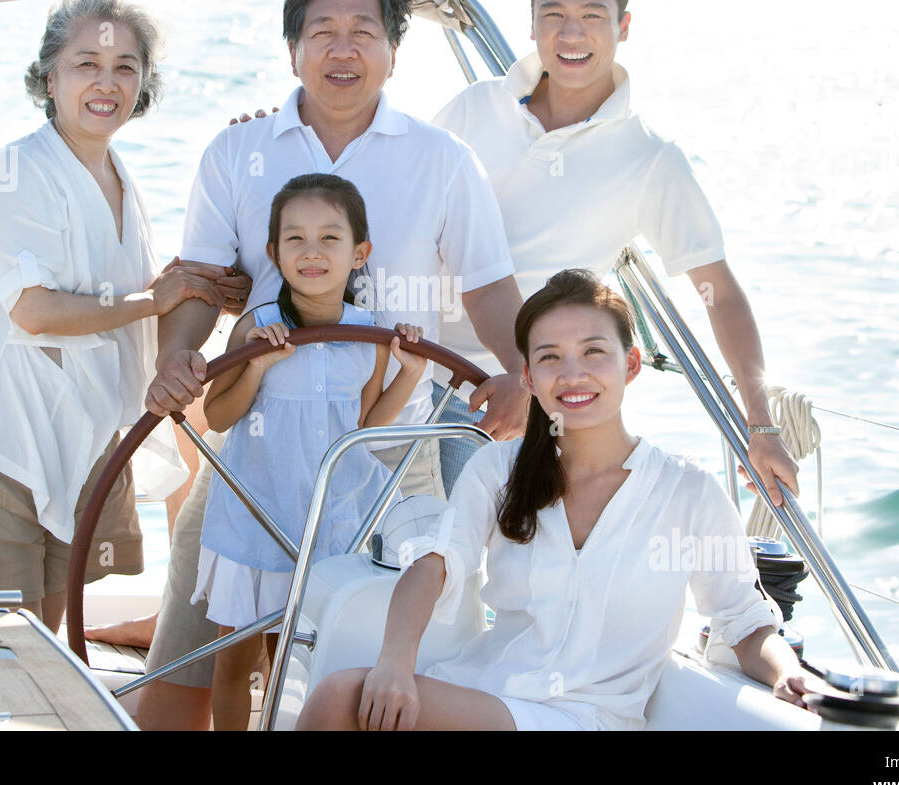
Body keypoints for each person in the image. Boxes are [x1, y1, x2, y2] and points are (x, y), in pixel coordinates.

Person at [137, 0, 526, 730]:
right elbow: (203, 283)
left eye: (363, 32)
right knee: (189, 660)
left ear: (391, 53)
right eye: (323, 32)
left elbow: (486, 286)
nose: (343, 50)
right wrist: (177, 356)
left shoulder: (442, 160)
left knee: (375, 661)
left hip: (388, 450)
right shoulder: (236, 152)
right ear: (292, 51)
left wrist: (518, 368)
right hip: (256, 442)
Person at [298, 269, 816, 731]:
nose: (572, 375)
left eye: (594, 352)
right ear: (527, 377)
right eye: (550, 358)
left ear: (631, 365)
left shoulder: (688, 492)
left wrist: (788, 673)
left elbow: (744, 621)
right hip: (485, 694)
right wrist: (394, 662)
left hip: (585, 716)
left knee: (339, 699)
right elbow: (436, 564)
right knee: (353, 695)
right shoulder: (499, 468)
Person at [430, 0, 801, 507]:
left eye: (592, 16)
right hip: (399, 371)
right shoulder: (475, 107)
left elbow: (718, 291)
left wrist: (760, 424)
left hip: (505, 401)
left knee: (466, 582)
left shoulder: (649, 158)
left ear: (623, 27)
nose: (571, 34)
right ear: (531, 24)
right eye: (553, 15)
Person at [0, 0, 242, 633]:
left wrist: (211, 286)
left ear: (142, 85)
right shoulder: (18, 172)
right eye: (86, 65)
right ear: (49, 79)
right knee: (9, 648)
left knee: (54, 640)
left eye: (125, 67)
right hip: (1, 446)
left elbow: (147, 290)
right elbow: (36, 311)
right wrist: (155, 299)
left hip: (80, 444)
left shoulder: (120, 176)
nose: (107, 82)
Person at [196, 173, 428, 730]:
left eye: (330, 237)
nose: (312, 252)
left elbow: (367, 425)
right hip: (260, 514)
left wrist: (410, 373)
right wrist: (255, 368)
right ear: (274, 253)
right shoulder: (258, 326)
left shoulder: (368, 334)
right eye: (294, 239)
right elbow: (217, 416)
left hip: (332, 521)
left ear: (359, 253)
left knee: (298, 660)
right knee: (238, 658)